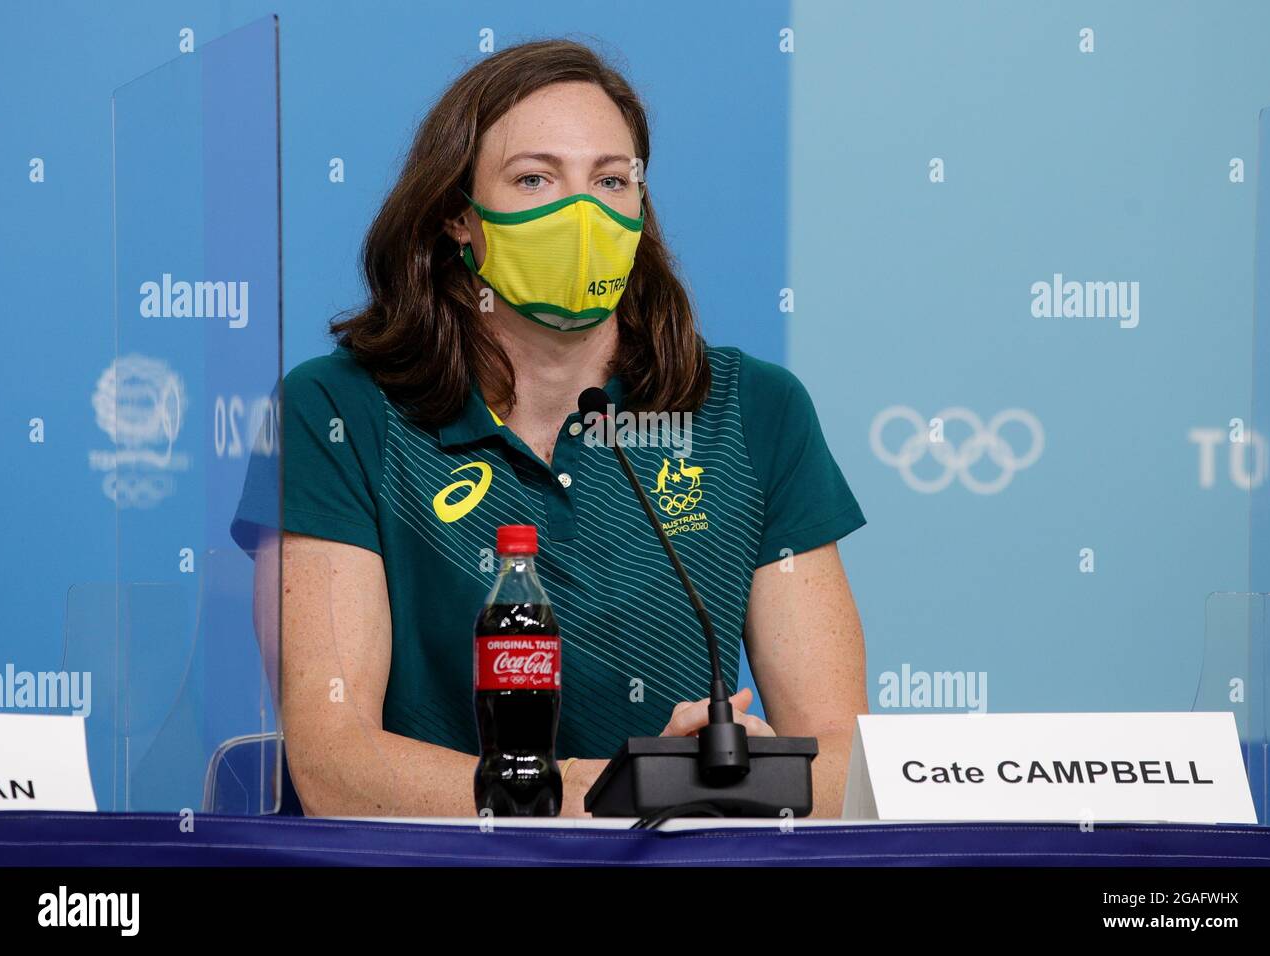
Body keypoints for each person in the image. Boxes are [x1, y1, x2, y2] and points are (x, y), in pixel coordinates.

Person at [231, 38, 868, 818]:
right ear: (458, 219)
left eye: (611, 180)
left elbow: (843, 765)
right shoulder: (336, 412)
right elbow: (337, 767)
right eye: (535, 179)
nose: (583, 213)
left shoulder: (752, 409)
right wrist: (634, 789)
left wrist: (722, 775)